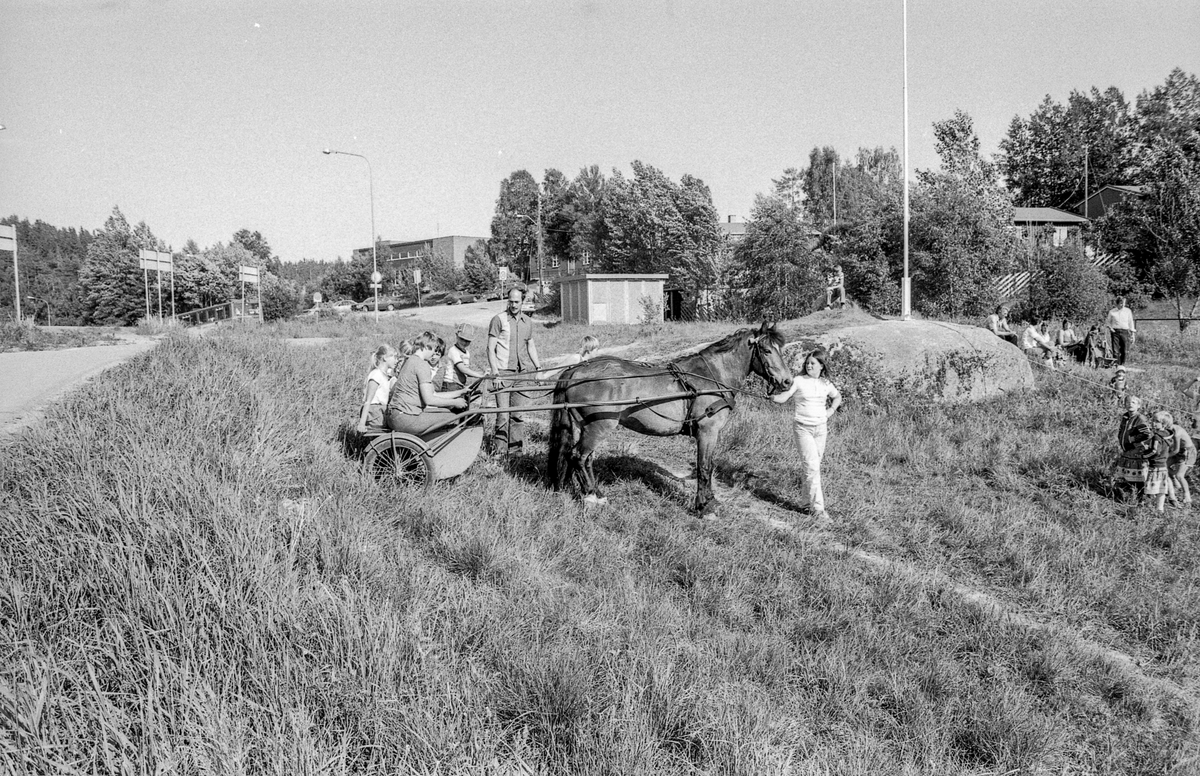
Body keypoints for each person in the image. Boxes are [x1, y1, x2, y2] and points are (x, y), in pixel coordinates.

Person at [771, 350, 842, 520]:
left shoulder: (826, 383)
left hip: (820, 428)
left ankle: (805, 504)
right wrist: (773, 397)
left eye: (813, 363)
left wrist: (830, 410)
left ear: (821, 366)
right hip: (803, 429)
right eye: (807, 363)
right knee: (812, 467)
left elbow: (837, 397)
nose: (809, 366)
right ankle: (818, 510)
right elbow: (786, 396)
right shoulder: (799, 380)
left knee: (812, 467)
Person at [488, 286, 542, 455]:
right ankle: (499, 452)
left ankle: (516, 452)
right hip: (503, 373)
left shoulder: (527, 321)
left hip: (521, 374)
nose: (513, 305)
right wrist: (495, 373)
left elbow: (530, 345)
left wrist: (538, 368)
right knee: (503, 415)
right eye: (510, 301)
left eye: (516, 302)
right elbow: (490, 349)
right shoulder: (499, 320)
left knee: (517, 415)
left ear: (522, 302)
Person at [385, 331, 469, 436]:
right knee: (452, 418)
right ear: (426, 347)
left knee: (445, 413)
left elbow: (433, 394)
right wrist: (455, 403)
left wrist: (460, 392)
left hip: (395, 416)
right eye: (433, 350)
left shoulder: (410, 360)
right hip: (405, 418)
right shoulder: (422, 365)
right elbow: (429, 399)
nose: (434, 354)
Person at [1114, 395, 1154, 504]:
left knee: (1138, 477)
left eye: (1133, 402)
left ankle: (1141, 499)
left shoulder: (1140, 418)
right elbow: (1122, 430)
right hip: (1127, 451)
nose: (1129, 404)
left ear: (1138, 406)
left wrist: (1133, 439)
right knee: (1127, 475)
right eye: (1127, 402)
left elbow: (1147, 434)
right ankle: (1128, 496)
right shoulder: (1126, 417)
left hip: (1137, 451)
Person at [356, 344, 399, 434]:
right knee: (379, 440)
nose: (396, 360)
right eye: (394, 357)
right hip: (375, 412)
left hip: (381, 410)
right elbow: (368, 401)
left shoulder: (384, 375)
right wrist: (362, 423)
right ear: (385, 358)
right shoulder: (376, 375)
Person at [437, 324, 486, 391]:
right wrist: (479, 375)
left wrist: (483, 374)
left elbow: (467, 371)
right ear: (457, 336)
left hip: (459, 384)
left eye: (467, 341)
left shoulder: (467, 353)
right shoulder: (453, 350)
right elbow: (463, 369)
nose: (464, 342)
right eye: (462, 339)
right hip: (451, 384)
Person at [1164, 410, 1196, 507]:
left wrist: (1165, 456)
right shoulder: (1168, 430)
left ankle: (1187, 497)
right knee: (1164, 466)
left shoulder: (1177, 432)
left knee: (1180, 475)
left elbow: (1176, 450)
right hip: (1178, 451)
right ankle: (1174, 481)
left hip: (1187, 452)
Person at [1146, 412, 1177, 512]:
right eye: (1153, 421)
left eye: (1157, 422)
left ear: (1163, 424)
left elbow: (1155, 451)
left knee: (1152, 487)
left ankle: (1149, 506)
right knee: (1161, 489)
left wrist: (1144, 455)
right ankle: (1160, 508)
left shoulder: (1157, 437)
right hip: (1163, 464)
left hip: (1155, 465)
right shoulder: (1168, 435)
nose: (1153, 423)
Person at [1106, 296, 1137, 366]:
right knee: (1115, 350)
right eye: (1121, 303)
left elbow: (1131, 322)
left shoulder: (1128, 311)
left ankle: (1122, 364)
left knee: (1124, 350)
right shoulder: (1112, 312)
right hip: (1115, 332)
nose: (1122, 305)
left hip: (1125, 331)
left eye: (1123, 303)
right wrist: (1111, 328)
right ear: (1117, 304)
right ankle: (1116, 365)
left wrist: (1133, 334)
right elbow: (1108, 322)